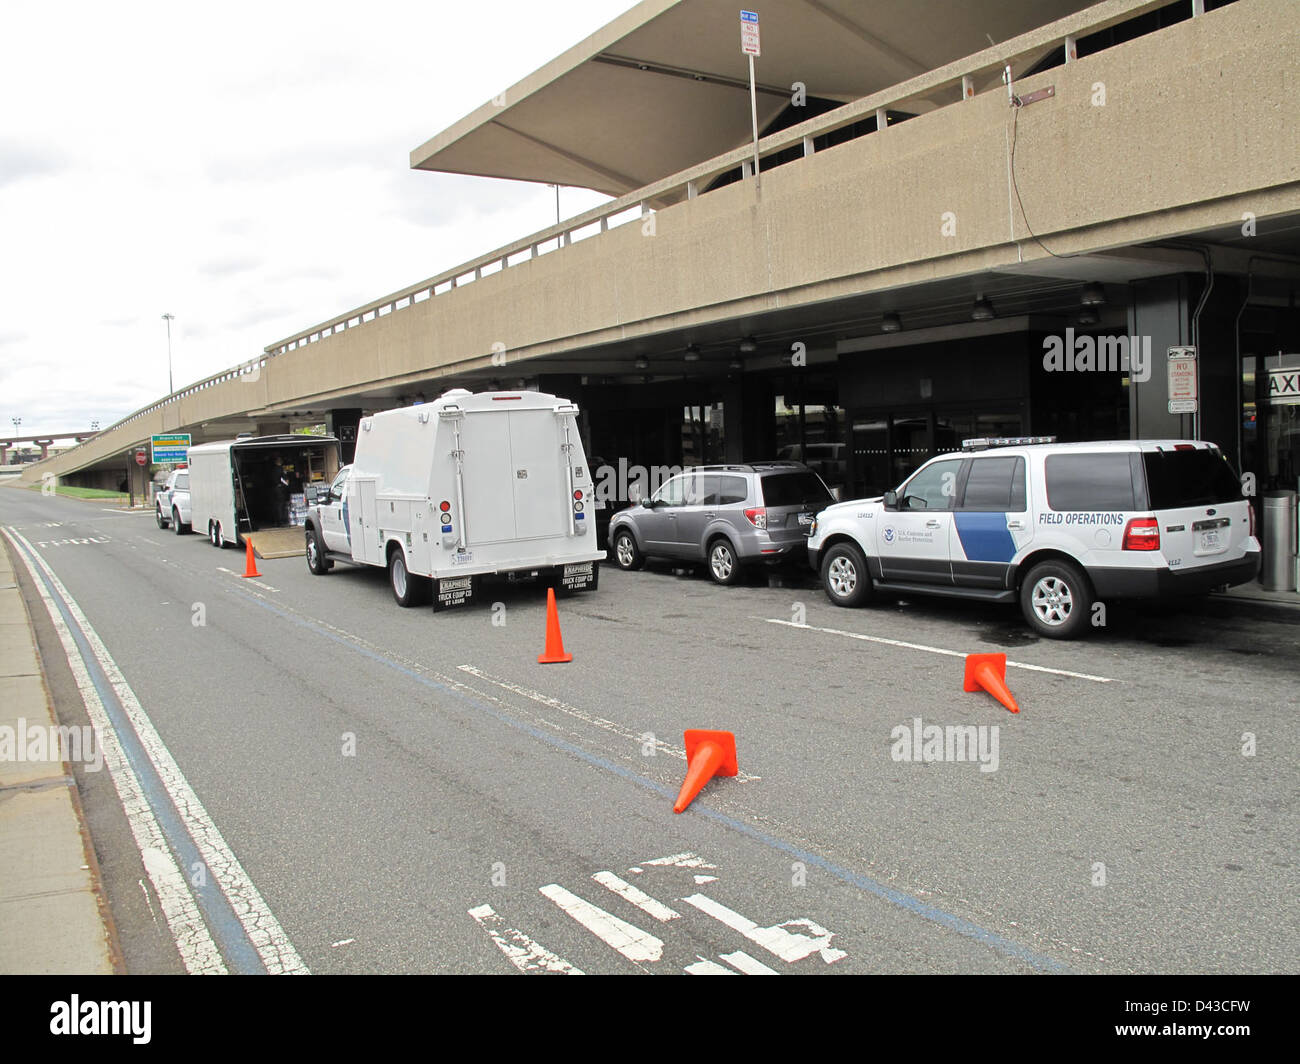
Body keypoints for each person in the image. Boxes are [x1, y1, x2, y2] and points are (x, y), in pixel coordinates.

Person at [271, 456, 290, 526]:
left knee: (276, 505)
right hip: (280, 489)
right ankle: (281, 521)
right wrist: (286, 484)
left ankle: (276, 521)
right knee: (281, 505)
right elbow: (285, 480)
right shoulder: (281, 469)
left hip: (274, 489)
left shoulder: (272, 470)